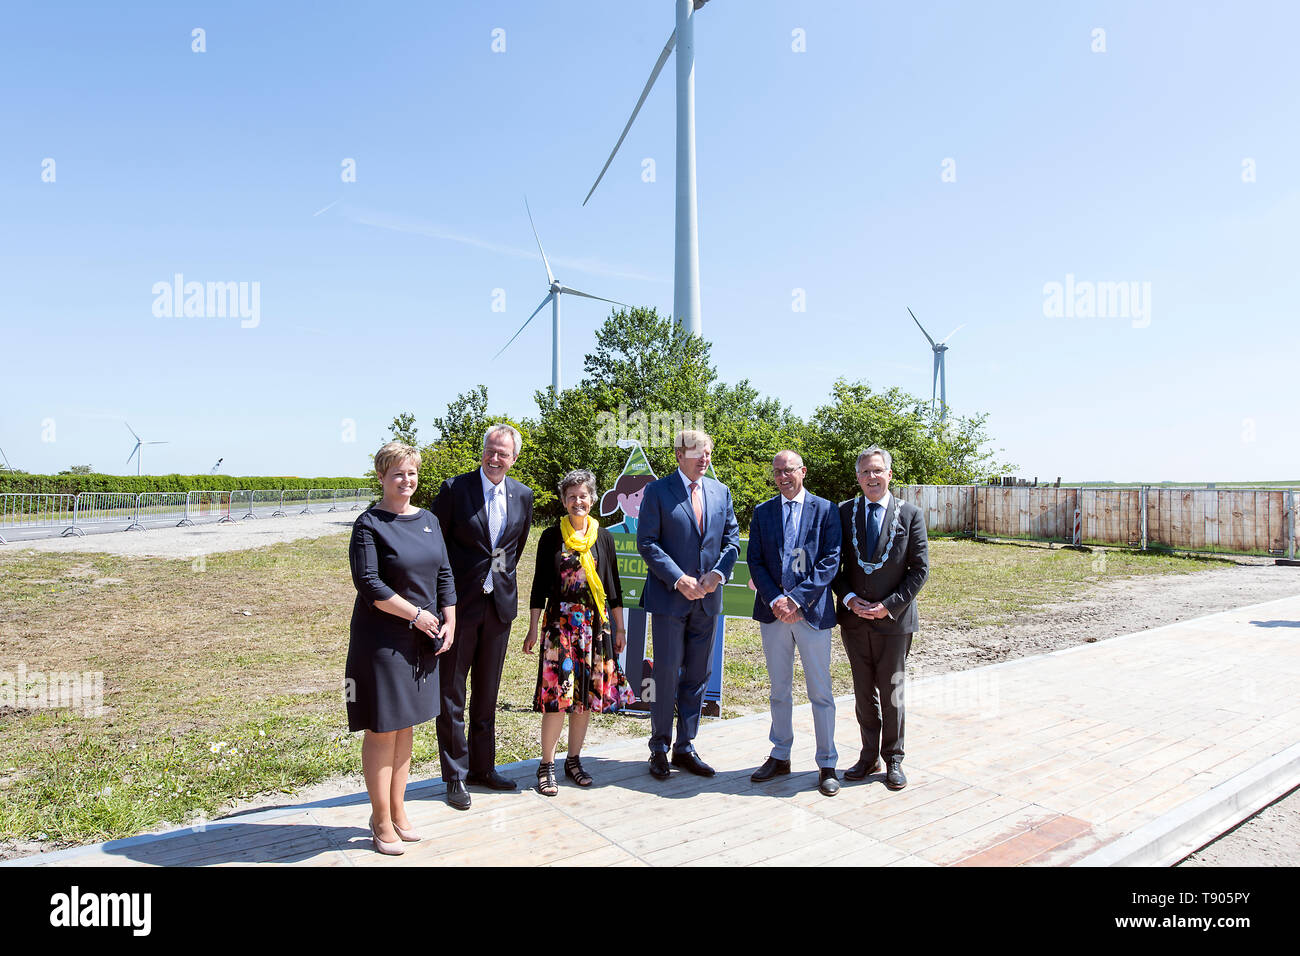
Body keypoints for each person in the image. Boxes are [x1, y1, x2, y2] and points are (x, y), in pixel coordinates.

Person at [346, 441, 456, 854]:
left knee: (407, 725)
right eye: (397, 474)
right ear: (381, 477)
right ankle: (379, 818)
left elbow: (444, 572)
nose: (406, 480)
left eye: (411, 473)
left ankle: (398, 808)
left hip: (423, 639)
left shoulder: (428, 519)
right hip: (383, 641)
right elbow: (370, 585)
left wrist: (449, 619)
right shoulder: (369, 524)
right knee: (383, 727)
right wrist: (415, 615)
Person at [431, 424, 534, 810]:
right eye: (490, 450)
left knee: (487, 694)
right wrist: (443, 602)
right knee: (452, 694)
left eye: (502, 453)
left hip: (499, 610)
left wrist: (496, 579)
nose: (494, 458)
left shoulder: (523, 495)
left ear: (514, 458)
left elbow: (513, 547)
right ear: (483, 451)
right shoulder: (455, 490)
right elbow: (436, 546)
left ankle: (482, 768)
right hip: (458, 609)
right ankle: (455, 776)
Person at [636, 429, 740, 779]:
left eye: (708, 453)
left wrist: (718, 575)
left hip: (708, 601)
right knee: (666, 674)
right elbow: (648, 542)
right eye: (698, 453)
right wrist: (679, 579)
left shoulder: (720, 491)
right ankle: (660, 747)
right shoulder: (657, 491)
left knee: (697, 675)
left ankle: (686, 746)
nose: (705, 459)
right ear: (679, 455)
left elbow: (731, 541)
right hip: (670, 598)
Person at [524, 469, 635, 794]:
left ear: (593, 498)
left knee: (584, 699)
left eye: (582, 495)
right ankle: (546, 765)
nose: (577, 501)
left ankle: (574, 760)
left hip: (593, 629)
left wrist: (619, 628)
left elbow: (613, 586)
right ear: (563, 500)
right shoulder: (550, 537)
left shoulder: (603, 537)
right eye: (571, 496)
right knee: (557, 699)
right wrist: (533, 627)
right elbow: (538, 588)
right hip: (559, 629)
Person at [746, 450, 843, 796]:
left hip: (811, 614)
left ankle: (827, 761)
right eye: (777, 472)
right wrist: (777, 600)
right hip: (773, 613)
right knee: (778, 689)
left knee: (821, 691)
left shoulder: (827, 510)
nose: (783, 477)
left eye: (788, 471)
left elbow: (831, 560)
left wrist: (798, 600)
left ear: (803, 471)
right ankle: (781, 753)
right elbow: (755, 560)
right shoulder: (762, 512)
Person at [832, 445, 929, 791]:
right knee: (863, 692)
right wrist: (849, 598)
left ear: (889, 474)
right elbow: (834, 566)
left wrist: (889, 605)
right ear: (857, 478)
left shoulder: (911, 514)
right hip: (854, 619)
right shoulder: (843, 514)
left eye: (877, 471)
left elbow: (919, 570)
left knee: (892, 692)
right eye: (864, 472)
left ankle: (894, 759)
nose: (871, 477)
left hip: (894, 622)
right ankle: (868, 754)